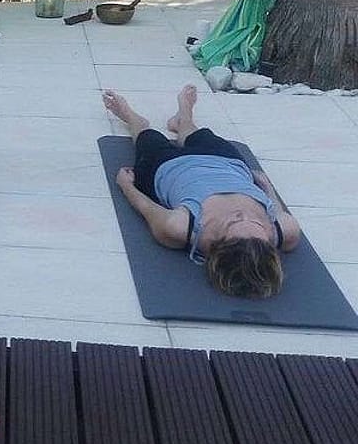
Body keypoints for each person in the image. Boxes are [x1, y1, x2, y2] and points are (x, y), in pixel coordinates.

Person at [103, 84, 301, 298]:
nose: (242, 214)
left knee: (147, 136)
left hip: (166, 166)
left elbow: (145, 207)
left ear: (216, 245)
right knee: (194, 133)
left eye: (233, 223)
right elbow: (277, 208)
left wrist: (126, 185)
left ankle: (135, 120)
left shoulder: (181, 228)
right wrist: (268, 188)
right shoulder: (285, 231)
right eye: (257, 223)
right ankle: (184, 119)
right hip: (225, 162)